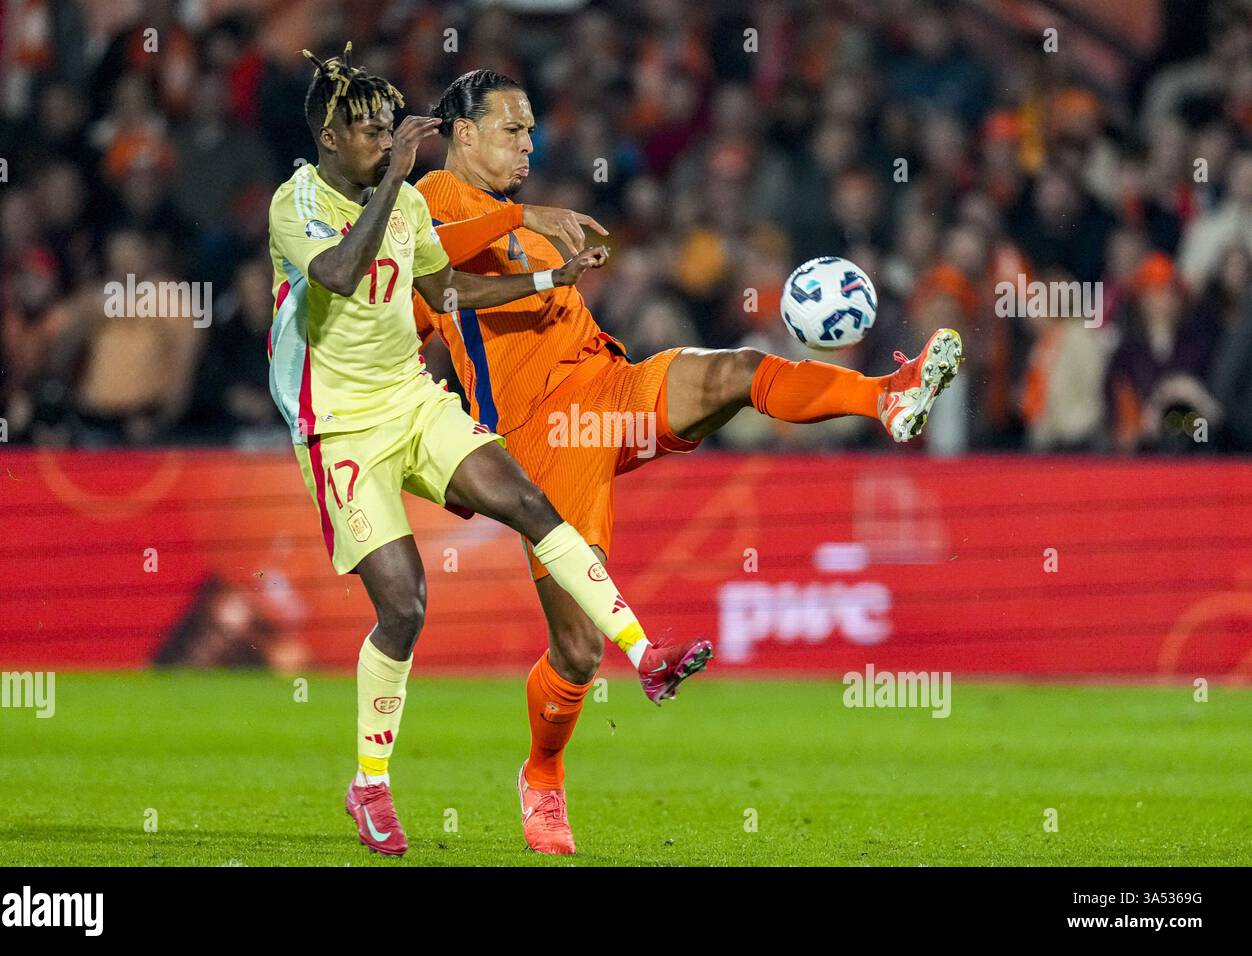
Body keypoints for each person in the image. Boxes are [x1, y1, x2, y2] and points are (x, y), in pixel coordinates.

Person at [413, 70, 964, 854]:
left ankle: (886, 397)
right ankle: (542, 777)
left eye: (532, 130)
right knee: (577, 649)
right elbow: (440, 279)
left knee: (733, 370)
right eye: (512, 130)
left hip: (607, 384)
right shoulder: (435, 196)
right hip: (545, 437)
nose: (529, 144)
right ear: (462, 135)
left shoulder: (524, 216)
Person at [267, 45, 672, 857]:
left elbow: (443, 293)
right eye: (372, 132)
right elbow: (343, 274)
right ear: (329, 137)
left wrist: (544, 284)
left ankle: (643, 650)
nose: (388, 142)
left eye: (391, 130)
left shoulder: (408, 207)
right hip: (340, 424)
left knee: (528, 497)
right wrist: (397, 184)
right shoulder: (297, 203)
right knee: (406, 606)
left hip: (412, 399)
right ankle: (370, 785)